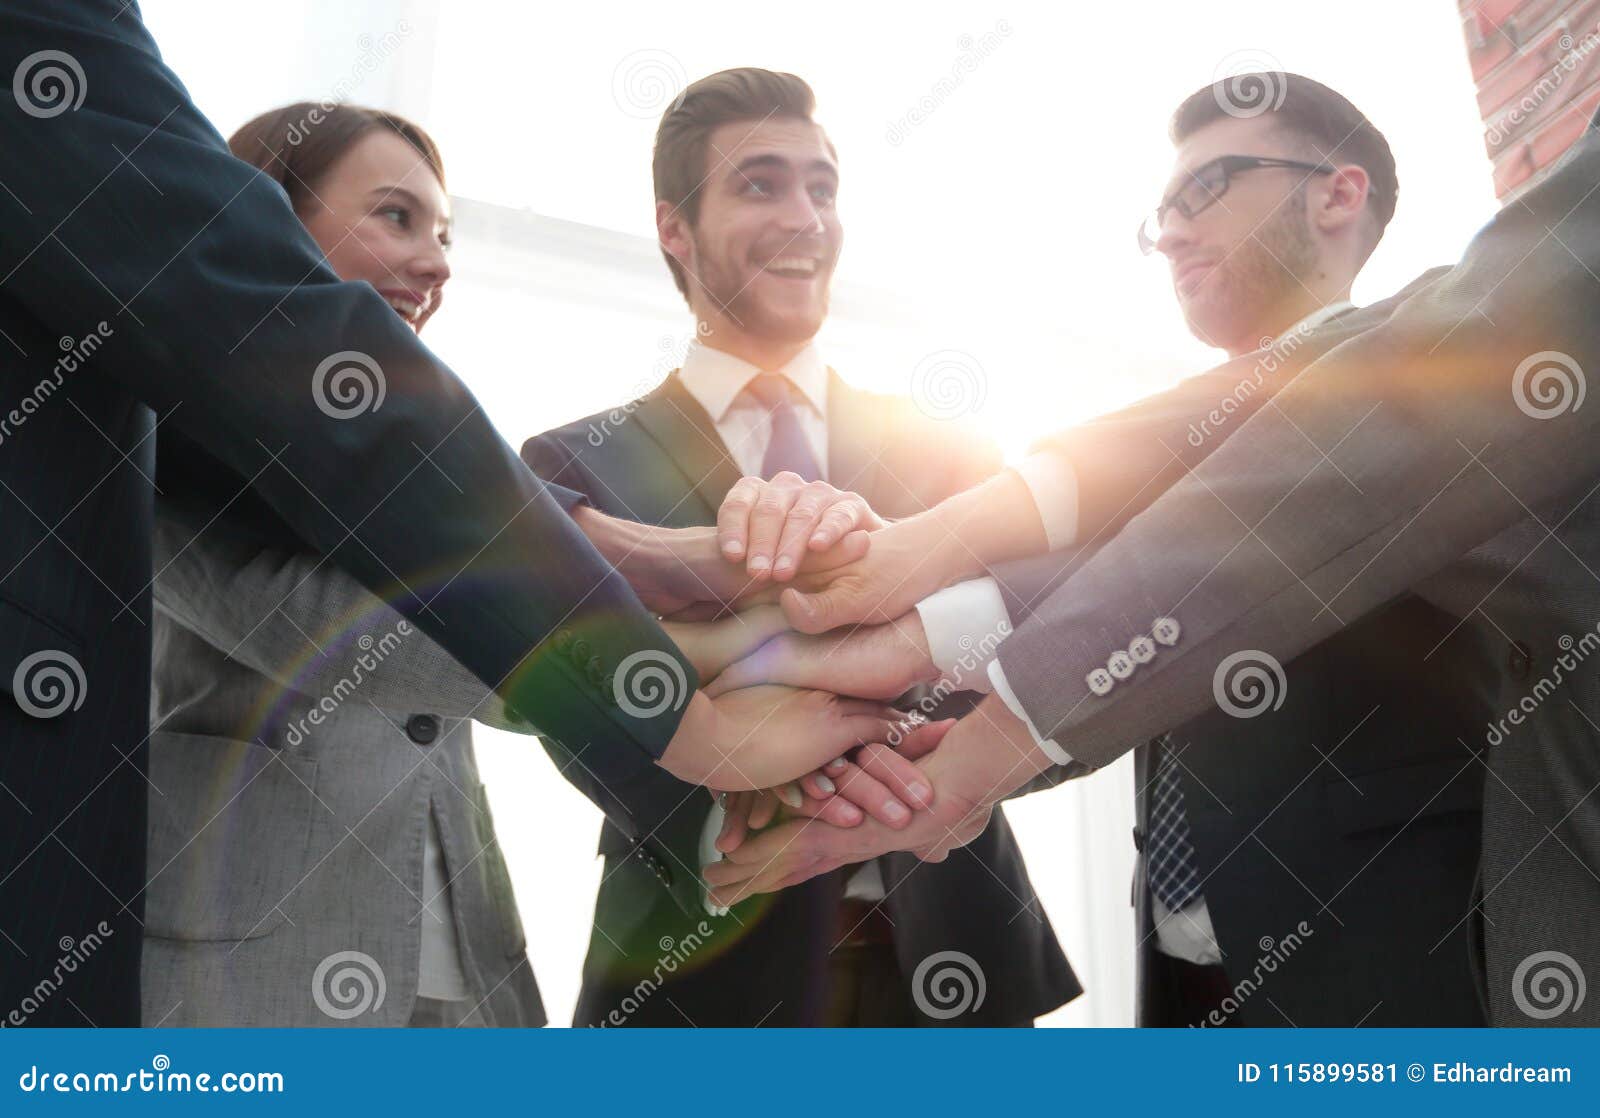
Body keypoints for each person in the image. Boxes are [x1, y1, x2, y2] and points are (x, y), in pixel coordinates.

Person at [0, 0, 884, 1026]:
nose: (435, 260)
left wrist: (662, 571)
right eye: (394, 215)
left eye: (446, 230)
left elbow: (454, 547)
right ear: (265, 220)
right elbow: (311, 622)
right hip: (259, 960)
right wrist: (701, 677)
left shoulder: (462, 460)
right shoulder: (167, 445)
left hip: (465, 958)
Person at [705, 79, 1600, 1026]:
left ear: (1337, 194)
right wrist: (841, 734)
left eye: (1206, 189)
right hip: (1177, 975)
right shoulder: (1150, 461)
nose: (1170, 233)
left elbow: (1303, 496)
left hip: (1388, 970)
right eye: (1160, 212)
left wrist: (925, 595)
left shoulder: (1470, 398)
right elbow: (1096, 640)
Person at [524, 69, 1079, 1027]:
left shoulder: (953, 448)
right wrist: (745, 790)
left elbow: (1058, 636)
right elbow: (564, 692)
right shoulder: (572, 466)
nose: (806, 215)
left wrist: (879, 759)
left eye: (822, 187)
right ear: (674, 226)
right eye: (760, 184)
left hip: (960, 963)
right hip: (693, 968)